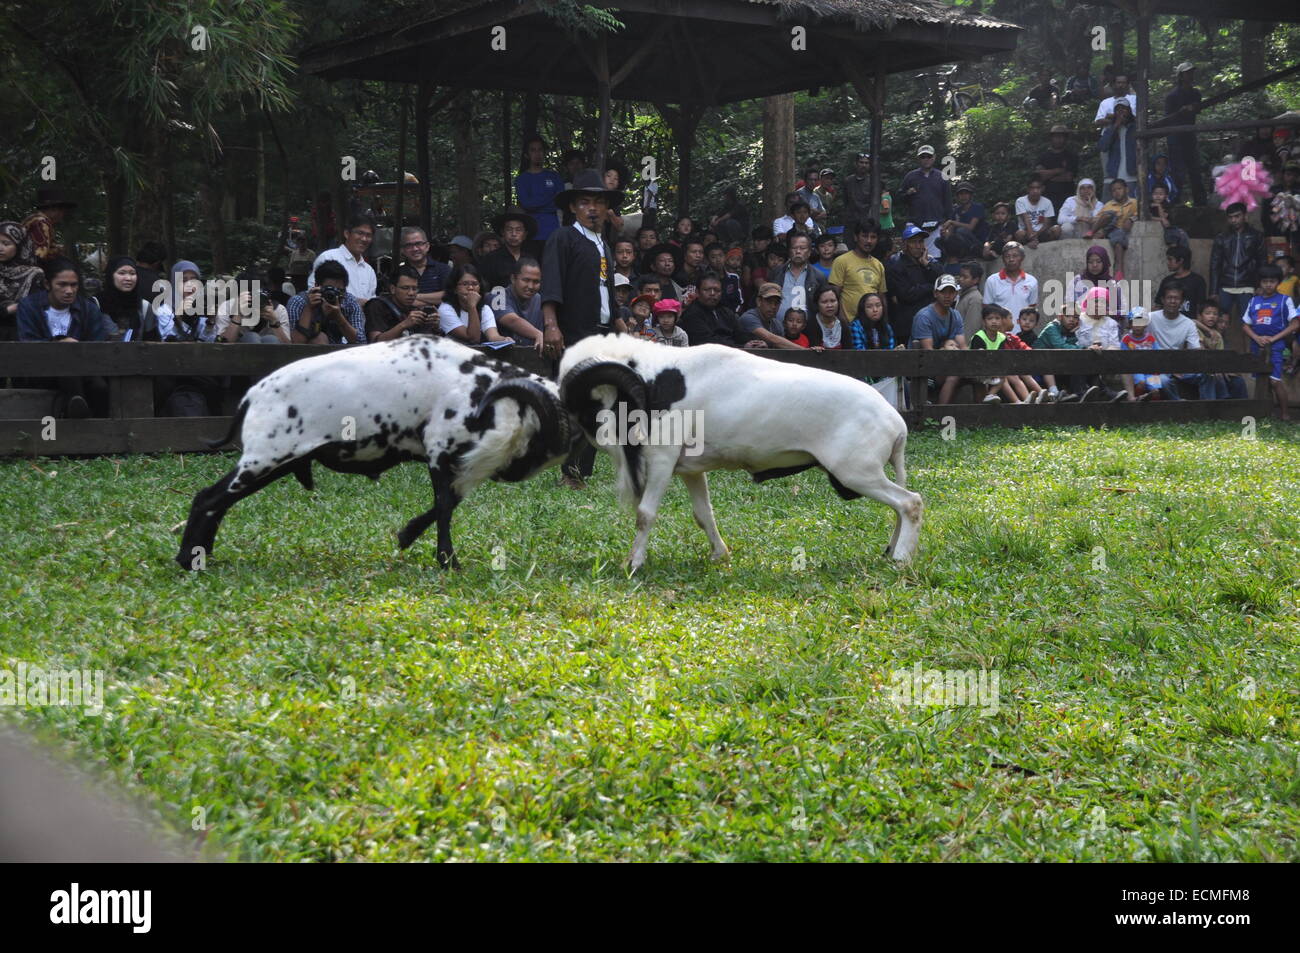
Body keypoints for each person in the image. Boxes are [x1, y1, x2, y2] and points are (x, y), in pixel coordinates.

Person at [541, 168, 623, 485]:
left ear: (606, 208)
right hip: (574, 332)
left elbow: (606, 291)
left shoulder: (602, 243)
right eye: (585, 201)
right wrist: (551, 325)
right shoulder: (564, 237)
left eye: (598, 202)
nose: (592, 208)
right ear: (574, 207)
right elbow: (552, 283)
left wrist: (620, 325)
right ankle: (570, 472)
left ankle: (578, 470)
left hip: (602, 333)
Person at [16, 257, 114, 417]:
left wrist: (76, 350)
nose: (69, 290)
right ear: (48, 284)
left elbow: (97, 344)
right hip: (42, 370)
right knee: (65, 365)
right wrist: (59, 344)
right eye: (62, 285)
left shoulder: (88, 309)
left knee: (99, 386)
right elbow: (28, 342)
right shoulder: (29, 306)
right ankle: (76, 414)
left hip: (84, 368)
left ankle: (94, 425)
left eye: (73, 285)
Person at [1241, 264, 1300, 419]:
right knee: (1261, 380)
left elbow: (1295, 324)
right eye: (1265, 281)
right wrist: (1256, 337)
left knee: (1275, 380)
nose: (1268, 284)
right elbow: (1245, 326)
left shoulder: (1284, 300)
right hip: (1257, 346)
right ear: (1260, 282)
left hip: (1276, 346)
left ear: (1278, 282)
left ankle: (1285, 414)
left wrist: (1274, 338)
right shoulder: (1253, 301)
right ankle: (1266, 413)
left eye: (1272, 281)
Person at [910, 274, 966, 404]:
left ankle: (980, 419)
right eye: (943, 292)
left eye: (951, 292)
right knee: (954, 376)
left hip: (951, 363)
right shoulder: (924, 317)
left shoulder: (956, 315)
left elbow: (962, 346)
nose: (947, 296)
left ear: (955, 294)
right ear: (935, 293)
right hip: (926, 367)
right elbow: (929, 352)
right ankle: (940, 414)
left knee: (977, 378)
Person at [886, 223, 943, 342]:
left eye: (921, 242)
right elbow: (907, 294)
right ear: (905, 244)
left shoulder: (927, 260)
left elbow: (942, 280)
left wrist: (927, 265)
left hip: (929, 321)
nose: (918, 246)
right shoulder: (895, 263)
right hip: (906, 324)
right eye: (914, 242)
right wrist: (931, 287)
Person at [1210, 202, 1266, 322]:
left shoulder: (1256, 236)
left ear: (1245, 216)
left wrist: (1261, 286)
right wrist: (1213, 290)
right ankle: (1221, 342)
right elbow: (1215, 265)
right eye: (1230, 217)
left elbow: (1262, 262)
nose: (1234, 220)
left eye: (1237, 216)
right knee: (1220, 322)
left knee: (1248, 323)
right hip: (1225, 285)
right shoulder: (1221, 237)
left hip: (1247, 286)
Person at [288, 260, 366, 345]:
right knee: (319, 338)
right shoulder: (299, 302)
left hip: (338, 353)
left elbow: (360, 343)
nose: (334, 295)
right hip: (308, 354)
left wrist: (339, 317)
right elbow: (296, 344)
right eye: (330, 289)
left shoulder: (349, 301)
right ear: (317, 286)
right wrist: (309, 309)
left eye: (340, 291)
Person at [309, 214, 377, 305]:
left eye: (368, 235)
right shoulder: (328, 257)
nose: (364, 239)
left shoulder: (369, 270)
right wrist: (355, 303)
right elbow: (313, 292)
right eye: (360, 233)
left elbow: (371, 303)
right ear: (347, 234)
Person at [1164, 62, 1206, 206]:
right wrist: (1181, 112)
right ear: (1181, 76)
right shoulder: (1172, 96)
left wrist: (1192, 108)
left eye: (1191, 72)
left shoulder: (1195, 93)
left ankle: (1200, 203)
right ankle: (1175, 203)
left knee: (1195, 169)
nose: (1190, 75)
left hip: (1189, 135)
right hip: (1175, 137)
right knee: (1178, 172)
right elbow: (1167, 118)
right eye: (1187, 73)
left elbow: (1198, 108)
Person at [829, 218, 886, 323]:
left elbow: (881, 297)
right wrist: (844, 323)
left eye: (873, 237)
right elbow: (834, 296)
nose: (869, 241)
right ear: (856, 237)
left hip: (873, 325)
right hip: (849, 324)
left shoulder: (878, 265)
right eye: (864, 236)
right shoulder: (841, 261)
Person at [364, 265, 438, 343]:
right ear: (393, 289)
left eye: (414, 288)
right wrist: (404, 325)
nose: (411, 293)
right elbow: (376, 342)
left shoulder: (415, 310)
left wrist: (434, 327)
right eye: (405, 288)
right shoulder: (377, 306)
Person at [769, 232, 827, 328]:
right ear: (789, 251)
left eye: (802, 248)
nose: (798, 251)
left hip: (808, 329)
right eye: (794, 248)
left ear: (809, 252)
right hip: (777, 327)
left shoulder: (818, 276)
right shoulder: (777, 272)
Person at [479, 208, 541, 292]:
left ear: (525, 234)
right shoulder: (491, 259)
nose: (514, 234)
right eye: (509, 229)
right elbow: (483, 288)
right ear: (503, 232)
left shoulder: (530, 259)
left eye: (518, 230)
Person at [0, 221, 44, 337]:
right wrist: (8, 309)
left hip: (21, 333)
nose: (0, 248)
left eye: (6, 243)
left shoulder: (33, 274)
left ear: (19, 246)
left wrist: (8, 310)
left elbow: (34, 306)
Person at [515, 135, 563, 241]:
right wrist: (551, 198)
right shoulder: (521, 179)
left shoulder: (554, 176)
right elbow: (527, 204)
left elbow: (560, 200)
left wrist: (536, 204)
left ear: (544, 153)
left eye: (540, 150)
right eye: (533, 150)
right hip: (531, 231)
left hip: (553, 231)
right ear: (527, 155)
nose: (537, 153)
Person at [1120, 310, 1176, 401]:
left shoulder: (1150, 338)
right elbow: (1124, 357)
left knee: (1155, 390)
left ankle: (1154, 407)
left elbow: (1157, 354)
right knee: (1141, 382)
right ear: (1130, 324)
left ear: (1145, 324)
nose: (1138, 326)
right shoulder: (1126, 340)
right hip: (1136, 370)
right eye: (1135, 323)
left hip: (1151, 370)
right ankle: (1138, 400)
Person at [983, 242, 1038, 334]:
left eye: (1015, 255)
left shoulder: (1032, 281)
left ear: (1022, 258)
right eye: (1007, 256)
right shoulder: (992, 280)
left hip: (1022, 335)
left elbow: (1031, 311)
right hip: (998, 335)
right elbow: (986, 311)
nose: (1011, 259)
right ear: (1003, 259)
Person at [679, 273, 748, 347]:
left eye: (717, 290)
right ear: (697, 292)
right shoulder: (692, 314)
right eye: (707, 290)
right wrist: (742, 346)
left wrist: (754, 342)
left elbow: (740, 334)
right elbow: (708, 342)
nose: (712, 293)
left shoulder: (725, 311)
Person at [967, 305, 1016, 404]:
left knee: (1002, 376)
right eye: (990, 319)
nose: (994, 321)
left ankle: (990, 395)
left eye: (997, 318)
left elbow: (1000, 356)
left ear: (1002, 320)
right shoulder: (979, 337)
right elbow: (976, 359)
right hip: (976, 370)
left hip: (992, 370)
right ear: (984, 321)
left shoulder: (1002, 337)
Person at [1093, 178, 1138, 277]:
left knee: (1118, 239)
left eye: (1119, 189)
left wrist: (1131, 219)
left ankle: (1119, 270)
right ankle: (1092, 232)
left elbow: (1139, 214)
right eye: (1113, 190)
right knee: (1109, 214)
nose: (1117, 192)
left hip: (1119, 231)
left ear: (1126, 189)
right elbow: (1097, 219)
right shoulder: (1109, 204)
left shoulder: (1134, 202)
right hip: (1110, 228)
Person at [737, 282, 802, 350]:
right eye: (769, 302)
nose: (773, 306)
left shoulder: (777, 324)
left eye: (776, 303)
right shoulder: (748, 318)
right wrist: (805, 351)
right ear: (759, 301)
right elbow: (772, 339)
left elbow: (782, 347)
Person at [217, 285, 291, 344]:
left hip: (270, 354)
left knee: (271, 339)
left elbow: (288, 348)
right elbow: (222, 344)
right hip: (236, 354)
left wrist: (274, 322)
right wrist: (238, 315)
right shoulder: (228, 307)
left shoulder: (278, 310)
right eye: (253, 298)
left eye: (261, 298)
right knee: (252, 337)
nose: (256, 303)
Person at [899, 145, 951, 228]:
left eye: (929, 156)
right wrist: (907, 194)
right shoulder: (910, 177)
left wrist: (948, 221)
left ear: (934, 157)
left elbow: (948, 202)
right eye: (923, 157)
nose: (926, 159)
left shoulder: (942, 177)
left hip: (937, 224)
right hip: (914, 224)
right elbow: (900, 199)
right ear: (918, 159)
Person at [21, 189, 76, 264]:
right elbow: (40, 254)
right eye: (61, 210)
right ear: (52, 209)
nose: (62, 214)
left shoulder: (35, 219)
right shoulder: (41, 222)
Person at [1099, 99, 1139, 195]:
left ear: (1129, 111)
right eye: (1118, 110)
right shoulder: (1109, 129)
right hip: (1113, 175)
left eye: (1124, 109)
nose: (1121, 112)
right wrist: (1115, 126)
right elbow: (1102, 147)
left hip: (1132, 175)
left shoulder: (1136, 127)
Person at [1072, 245, 1124, 319]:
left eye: (1099, 261)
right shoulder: (1077, 281)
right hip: (1082, 326)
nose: (1094, 265)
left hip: (1107, 327)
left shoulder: (1113, 284)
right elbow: (1068, 306)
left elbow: (1123, 312)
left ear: (1105, 262)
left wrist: (1106, 312)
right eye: (1090, 262)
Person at [1036, 125, 1079, 213]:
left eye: (1061, 137)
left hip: (1066, 196)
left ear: (1065, 139)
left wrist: (1048, 174)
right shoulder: (1043, 156)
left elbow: (1068, 177)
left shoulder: (1071, 156)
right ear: (1051, 138)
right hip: (1047, 196)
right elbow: (1039, 176)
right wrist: (1059, 171)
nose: (1059, 139)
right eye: (1056, 136)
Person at [939, 183, 986, 260]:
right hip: (961, 243)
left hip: (977, 243)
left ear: (970, 195)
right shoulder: (957, 210)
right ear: (958, 196)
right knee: (939, 240)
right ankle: (952, 258)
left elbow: (970, 227)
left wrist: (952, 222)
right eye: (961, 194)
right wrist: (944, 234)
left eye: (966, 193)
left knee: (961, 231)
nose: (963, 196)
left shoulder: (977, 207)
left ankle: (971, 254)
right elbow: (951, 230)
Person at [1014, 176, 1060, 247]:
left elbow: (1046, 224)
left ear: (1042, 189)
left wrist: (1036, 235)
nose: (1035, 191)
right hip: (1027, 232)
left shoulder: (1047, 202)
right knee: (1019, 234)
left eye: (1038, 188)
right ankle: (1026, 246)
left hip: (1042, 232)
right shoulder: (1020, 201)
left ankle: (1049, 247)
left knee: (1056, 229)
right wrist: (1032, 237)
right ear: (1028, 189)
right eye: (1032, 188)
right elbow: (1026, 220)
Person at [704, 242, 743, 311]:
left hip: (732, 314)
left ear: (725, 257)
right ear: (707, 260)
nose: (718, 260)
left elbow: (739, 301)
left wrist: (734, 314)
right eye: (713, 257)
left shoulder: (734, 278)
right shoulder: (704, 279)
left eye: (720, 256)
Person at [956, 261, 984, 340]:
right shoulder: (964, 295)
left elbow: (971, 329)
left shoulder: (975, 299)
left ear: (975, 280)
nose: (961, 279)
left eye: (965, 277)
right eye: (960, 276)